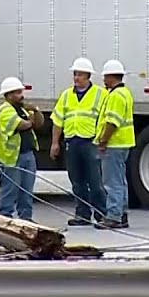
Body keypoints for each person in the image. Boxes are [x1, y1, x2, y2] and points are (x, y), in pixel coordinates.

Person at [50, 57, 106, 226]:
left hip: (90, 142)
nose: (76, 78)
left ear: (88, 76)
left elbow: (105, 119)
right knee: (77, 182)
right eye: (75, 74)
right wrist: (55, 143)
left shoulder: (100, 94)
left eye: (80, 74)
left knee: (95, 182)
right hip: (72, 142)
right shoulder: (66, 95)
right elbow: (58, 120)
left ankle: (101, 213)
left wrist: (103, 141)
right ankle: (82, 214)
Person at [0, 76, 43, 221]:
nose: (21, 95)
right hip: (11, 156)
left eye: (21, 92)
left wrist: (36, 111)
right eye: (18, 93)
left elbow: (38, 124)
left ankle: (26, 218)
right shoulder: (5, 110)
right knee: (9, 189)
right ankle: (4, 218)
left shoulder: (21, 109)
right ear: (9, 95)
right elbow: (23, 125)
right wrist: (31, 119)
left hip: (27, 154)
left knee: (26, 189)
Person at [94, 59, 135, 230]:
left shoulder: (116, 96)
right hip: (123, 144)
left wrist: (103, 141)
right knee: (120, 181)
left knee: (112, 182)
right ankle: (121, 214)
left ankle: (113, 216)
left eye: (105, 76)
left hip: (114, 144)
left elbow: (112, 122)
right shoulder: (124, 93)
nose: (103, 79)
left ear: (111, 76)